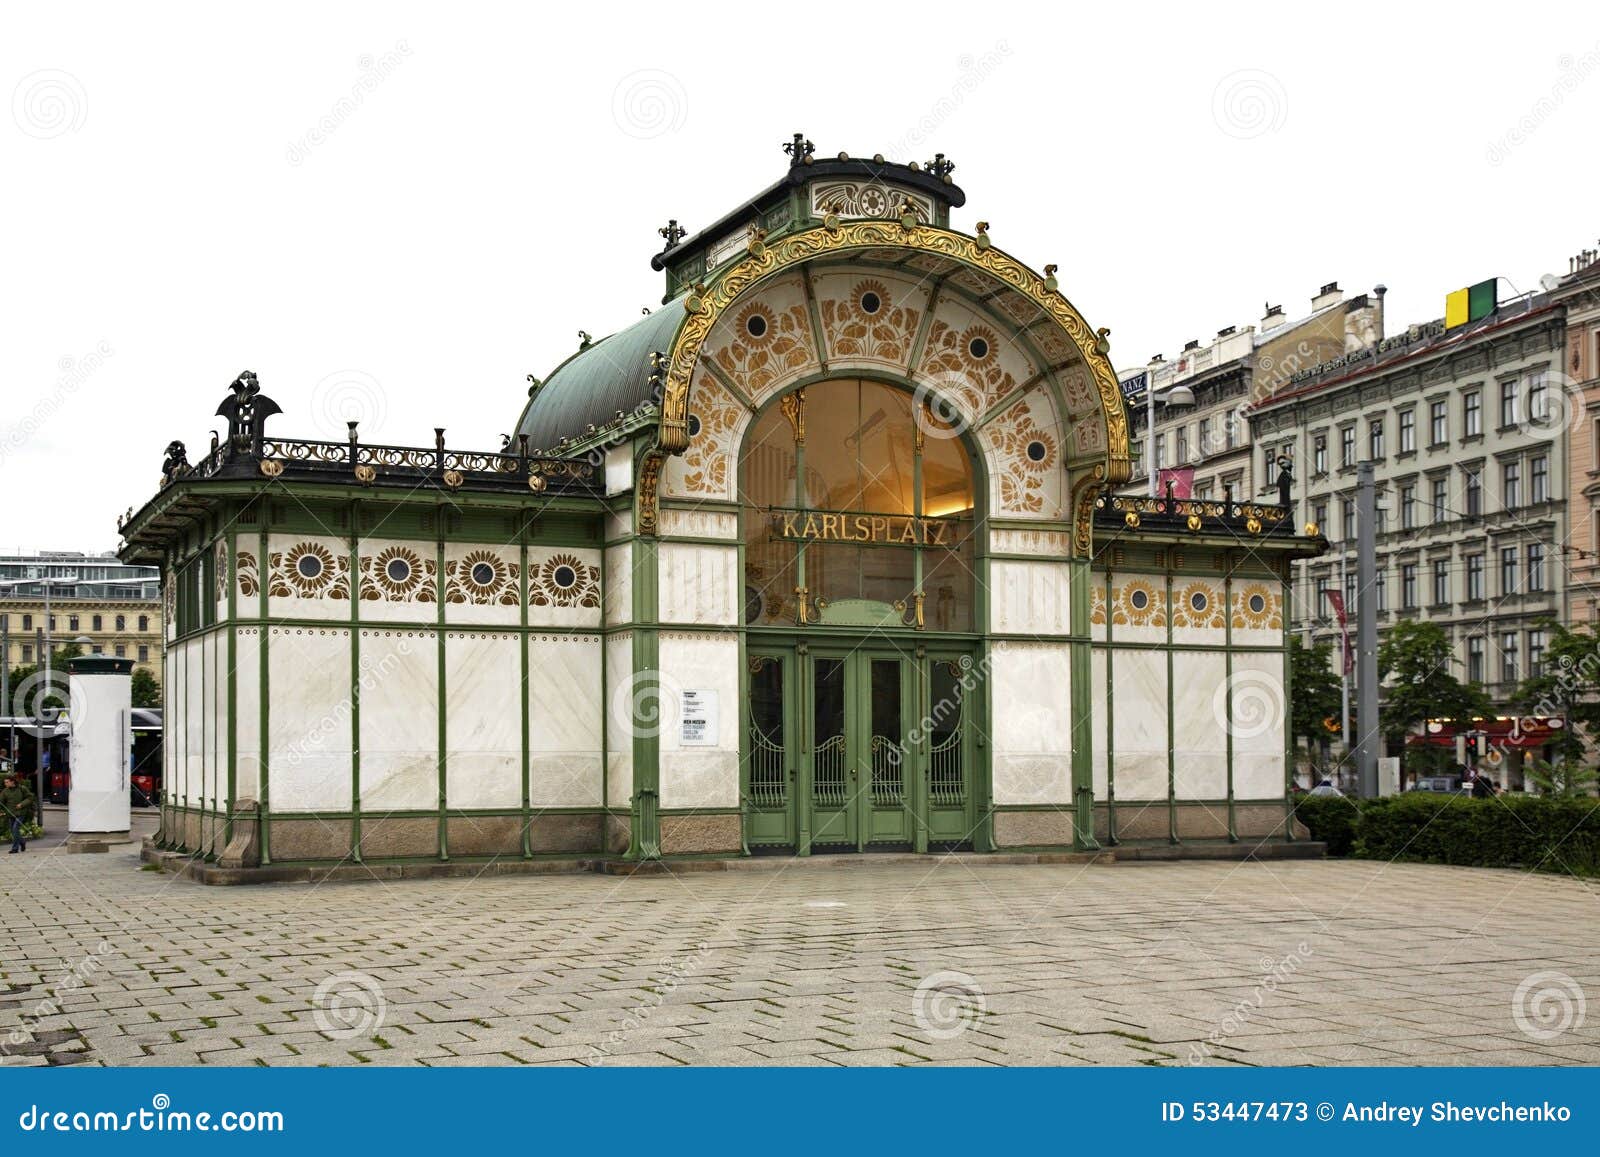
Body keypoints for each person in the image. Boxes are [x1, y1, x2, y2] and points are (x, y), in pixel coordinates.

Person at [1, 772, 35, 853]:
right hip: (10, 813)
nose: (5, 784)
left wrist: (22, 804)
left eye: (7, 782)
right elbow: (1, 801)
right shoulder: (5, 791)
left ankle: (15, 848)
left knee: (15, 829)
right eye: (5, 782)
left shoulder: (22, 788)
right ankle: (22, 842)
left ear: (12, 782)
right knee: (13, 831)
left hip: (21, 813)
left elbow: (30, 798)